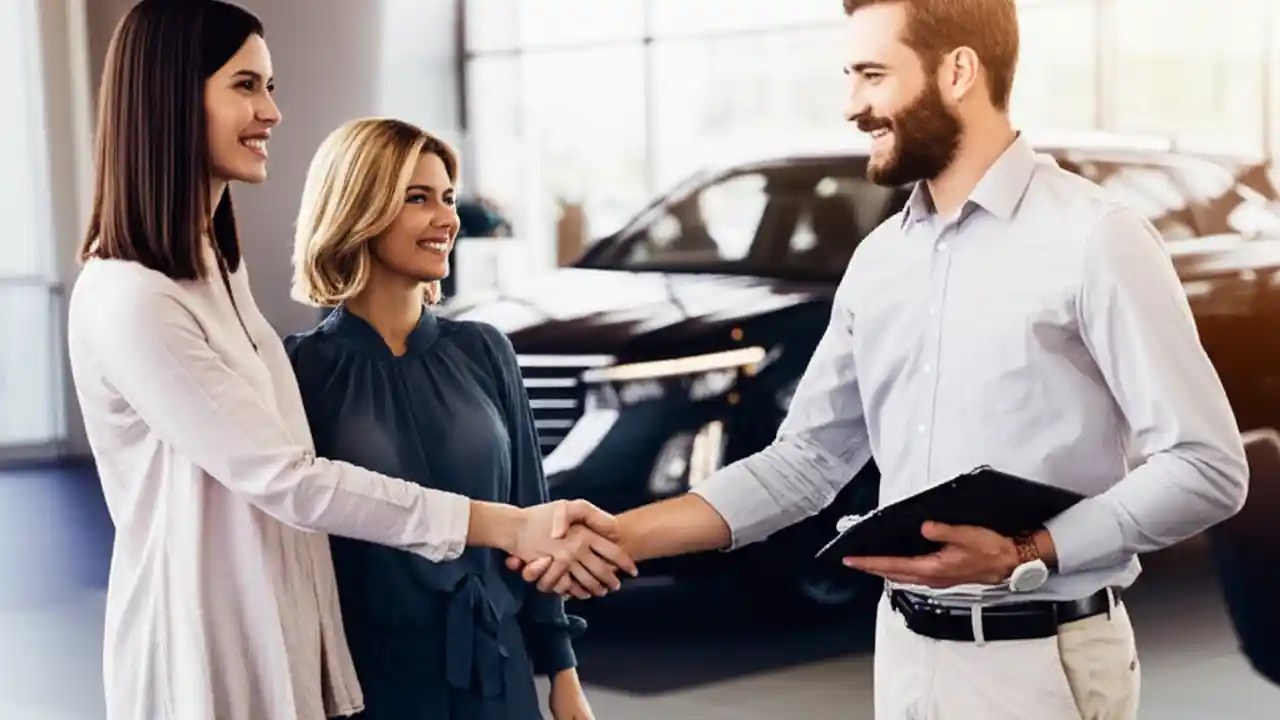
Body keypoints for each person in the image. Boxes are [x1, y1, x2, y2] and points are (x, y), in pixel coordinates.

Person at [517, 1, 1249, 718]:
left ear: (958, 70)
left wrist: (1029, 550)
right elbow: (804, 463)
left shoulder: (1096, 239)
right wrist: (619, 535)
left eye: (871, 74)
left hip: (1043, 663)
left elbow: (1206, 467)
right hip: (904, 650)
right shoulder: (880, 260)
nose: (852, 105)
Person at [66, 3, 629, 719]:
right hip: (209, 658)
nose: (271, 111)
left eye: (270, 87)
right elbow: (288, 480)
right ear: (174, 96)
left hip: (300, 648)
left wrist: (557, 660)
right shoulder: (132, 298)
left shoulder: (218, 279)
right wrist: (505, 525)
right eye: (246, 85)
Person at [287, 118, 613, 719]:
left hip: (499, 671)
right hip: (373, 683)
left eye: (447, 198)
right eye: (418, 198)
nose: (447, 219)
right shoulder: (300, 370)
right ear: (360, 207)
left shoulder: (485, 349)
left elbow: (532, 514)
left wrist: (563, 675)